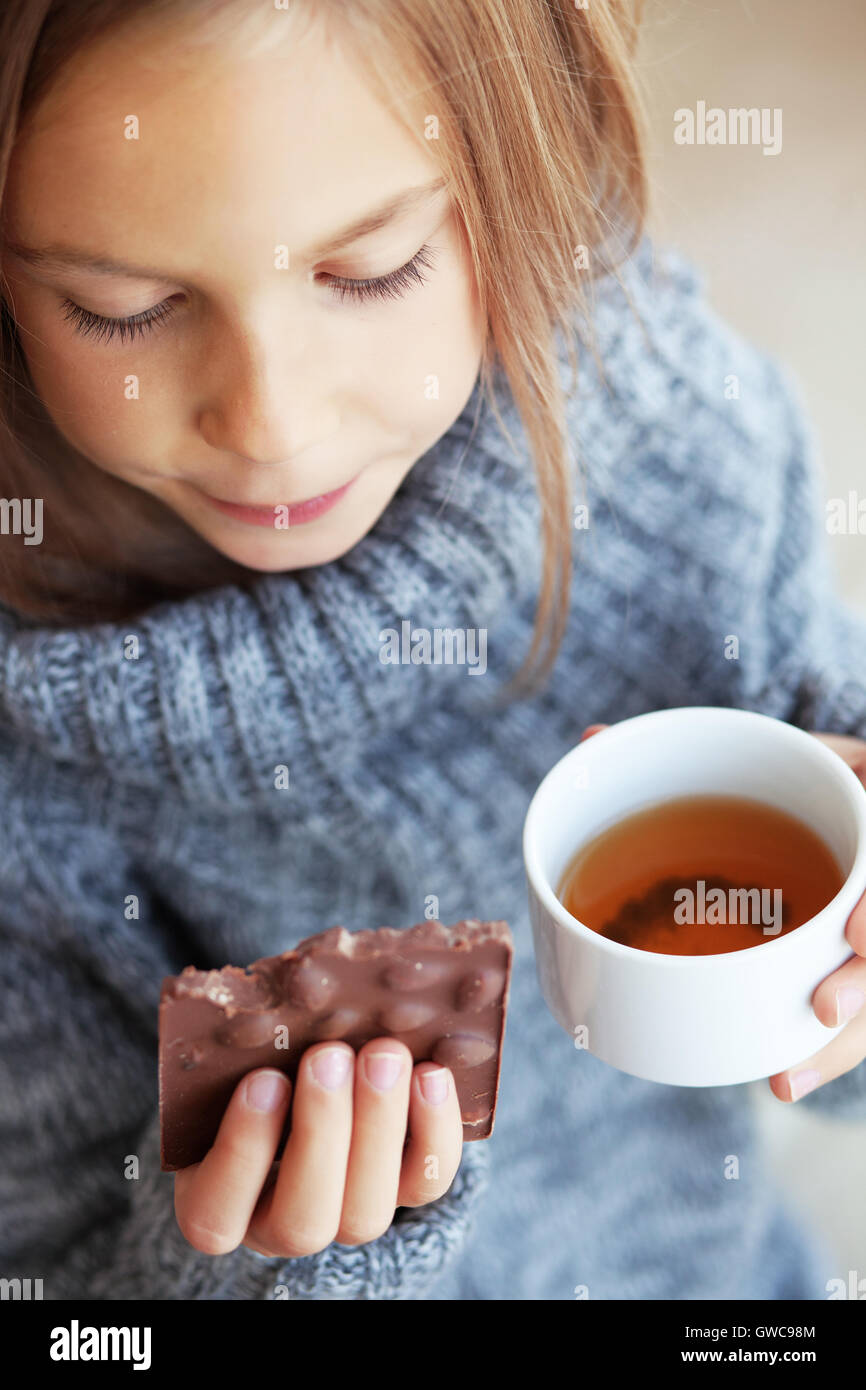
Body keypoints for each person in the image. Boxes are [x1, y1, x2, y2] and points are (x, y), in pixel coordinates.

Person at [0, 0, 864, 1301]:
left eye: (372, 270)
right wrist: (239, 1270)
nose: (273, 427)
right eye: (121, 308)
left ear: (526, 157)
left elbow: (825, 1042)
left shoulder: (682, 448)